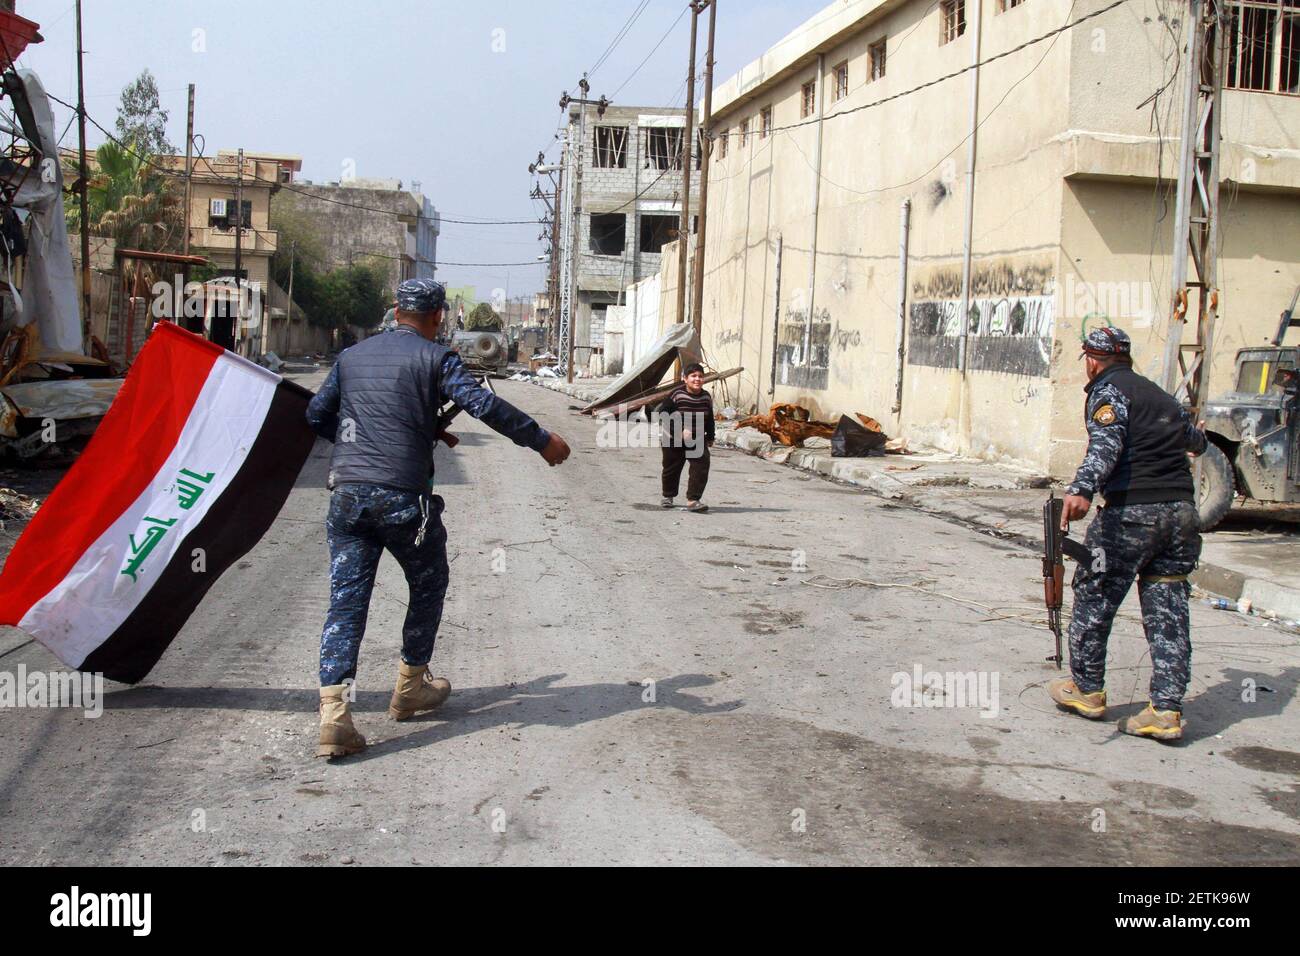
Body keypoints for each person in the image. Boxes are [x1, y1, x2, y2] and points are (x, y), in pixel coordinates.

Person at [305, 278, 571, 758]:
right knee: (428, 583)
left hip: (346, 496)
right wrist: (541, 439)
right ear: (438, 317)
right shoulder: (436, 358)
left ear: (394, 310)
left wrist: (371, 439)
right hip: (404, 500)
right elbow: (484, 404)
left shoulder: (351, 357)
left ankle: (335, 715)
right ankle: (410, 685)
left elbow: (316, 415)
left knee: (345, 603)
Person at [1048, 326, 1206, 742]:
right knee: (1168, 607)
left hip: (1132, 515)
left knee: (1095, 595)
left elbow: (1106, 444)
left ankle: (1086, 690)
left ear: (1093, 360)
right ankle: (1166, 711)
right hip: (1182, 516)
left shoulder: (1108, 391)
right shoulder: (1161, 395)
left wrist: (1081, 488)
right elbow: (1196, 441)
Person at [654, 363, 715, 513]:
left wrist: (711, 436)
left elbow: (710, 417)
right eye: (693, 376)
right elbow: (663, 414)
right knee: (671, 468)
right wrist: (680, 430)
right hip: (673, 439)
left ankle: (693, 500)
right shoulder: (676, 395)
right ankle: (668, 496)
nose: (697, 379)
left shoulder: (706, 396)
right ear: (685, 379)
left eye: (700, 376)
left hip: (697, 439)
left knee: (701, 467)